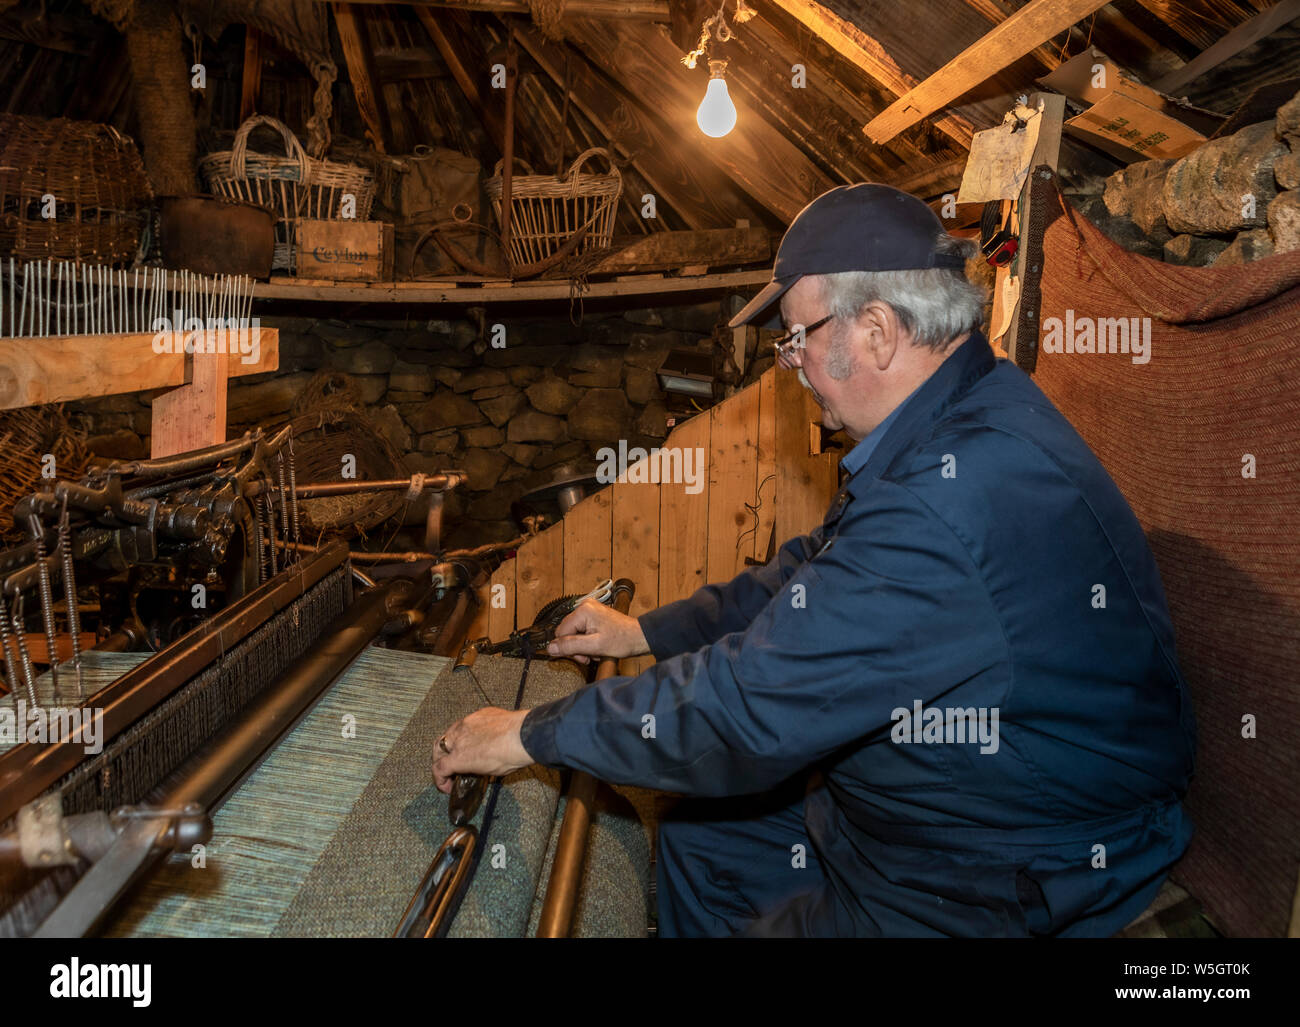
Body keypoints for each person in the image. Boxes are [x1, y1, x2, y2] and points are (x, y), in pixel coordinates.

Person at [433, 184, 1196, 937]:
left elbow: (748, 708)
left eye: (796, 338)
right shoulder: (959, 415)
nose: (789, 364)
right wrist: (644, 633)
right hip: (932, 814)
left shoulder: (948, 499)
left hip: (999, 866)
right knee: (698, 834)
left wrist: (528, 733)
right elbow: (811, 570)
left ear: (875, 331)